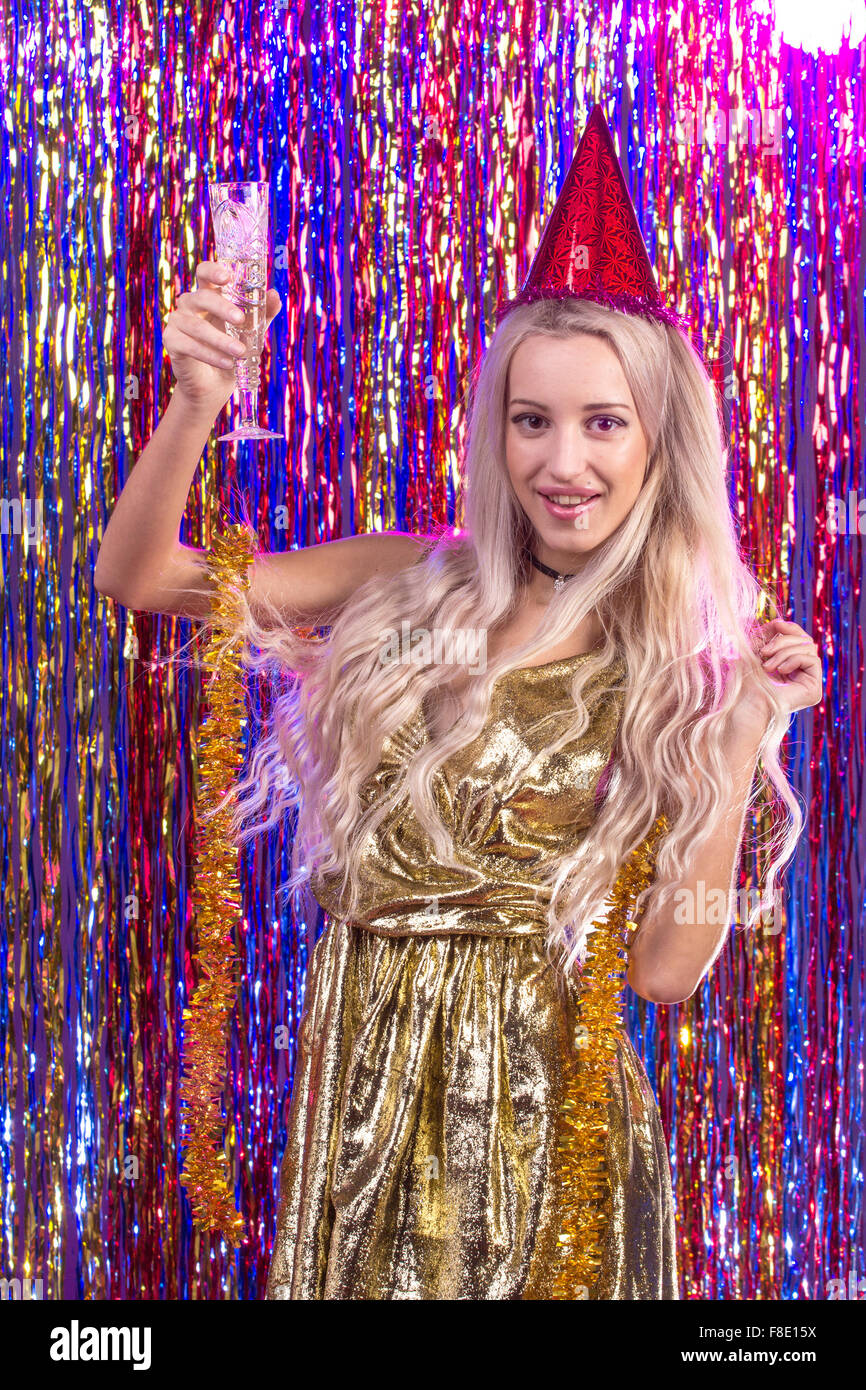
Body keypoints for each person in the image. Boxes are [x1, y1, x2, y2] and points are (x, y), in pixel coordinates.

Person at [95, 108, 821, 1299]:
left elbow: (667, 969)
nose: (561, 462)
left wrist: (743, 734)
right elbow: (138, 577)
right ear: (495, 432)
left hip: (544, 1123)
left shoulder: (684, 656)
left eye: (602, 423)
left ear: (654, 442)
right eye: (530, 420)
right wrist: (191, 402)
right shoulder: (405, 579)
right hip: (364, 1090)